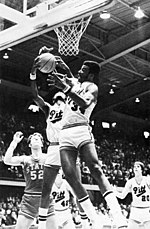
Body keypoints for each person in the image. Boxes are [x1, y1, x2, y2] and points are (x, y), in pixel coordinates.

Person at [49, 57, 127, 229]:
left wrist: (65, 88)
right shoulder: (76, 83)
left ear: (90, 75)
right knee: (70, 176)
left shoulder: (92, 87)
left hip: (81, 129)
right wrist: (59, 65)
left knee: (96, 169)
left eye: (83, 70)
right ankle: (93, 218)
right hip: (65, 133)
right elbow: (70, 77)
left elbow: (84, 103)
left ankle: (118, 215)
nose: (79, 71)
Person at [30, 47, 90, 229]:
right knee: (46, 189)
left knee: (77, 185)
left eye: (61, 96)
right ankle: (41, 224)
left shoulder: (69, 107)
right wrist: (33, 73)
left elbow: (75, 90)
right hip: (53, 147)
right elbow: (35, 96)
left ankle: (85, 220)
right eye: (55, 96)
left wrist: (67, 72)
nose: (58, 97)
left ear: (64, 97)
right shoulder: (48, 108)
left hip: (67, 145)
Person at [4, 131, 57, 229]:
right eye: (33, 137)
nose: (36, 137)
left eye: (38, 138)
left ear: (41, 143)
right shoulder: (25, 159)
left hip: (46, 198)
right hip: (29, 199)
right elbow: (7, 160)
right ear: (30, 144)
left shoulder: (49, 157)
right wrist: (14, 142)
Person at [115, 161, 150, 229]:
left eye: (138, 166)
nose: (136, 168)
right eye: (134, 167)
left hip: (146, 209)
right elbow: (122, 196)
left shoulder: (147, 180)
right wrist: (114, 191)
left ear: (142, 169)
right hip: (135, 210)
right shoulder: (130, 182)